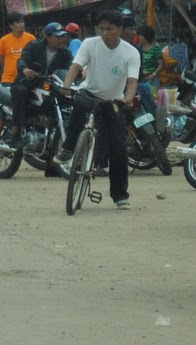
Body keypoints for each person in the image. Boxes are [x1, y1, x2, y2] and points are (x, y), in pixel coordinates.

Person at [58, 12, 140, 209]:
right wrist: (66, 85)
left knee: (119, 149)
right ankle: (68, 148)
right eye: (101, 29)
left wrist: (128, 98)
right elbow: (76, 66)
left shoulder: (131, 53)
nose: (105, 33)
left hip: (113, 100)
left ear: (119, 29)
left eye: (110, 29)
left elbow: (132, 81)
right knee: (79, 104)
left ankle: (120, 195)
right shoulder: (90, 44)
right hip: (89, 92)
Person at [11, 23, 71, 141]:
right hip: (28, 83)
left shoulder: (65, 53)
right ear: (48, 37)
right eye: (58, 37)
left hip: (51, 86)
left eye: (63, 36)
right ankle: (16, 129)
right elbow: (22, 60)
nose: (62, 40)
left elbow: (71, 68)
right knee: (21, 91)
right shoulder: (34, 46)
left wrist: (80, 74)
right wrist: (25, 69)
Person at [0, 13, 33, 88]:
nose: (21, 24)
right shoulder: (4, 40)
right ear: (11, 26)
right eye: (18, 22)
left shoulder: (31, 39)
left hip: (25, 79)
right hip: (8, 80)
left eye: (22, 22)